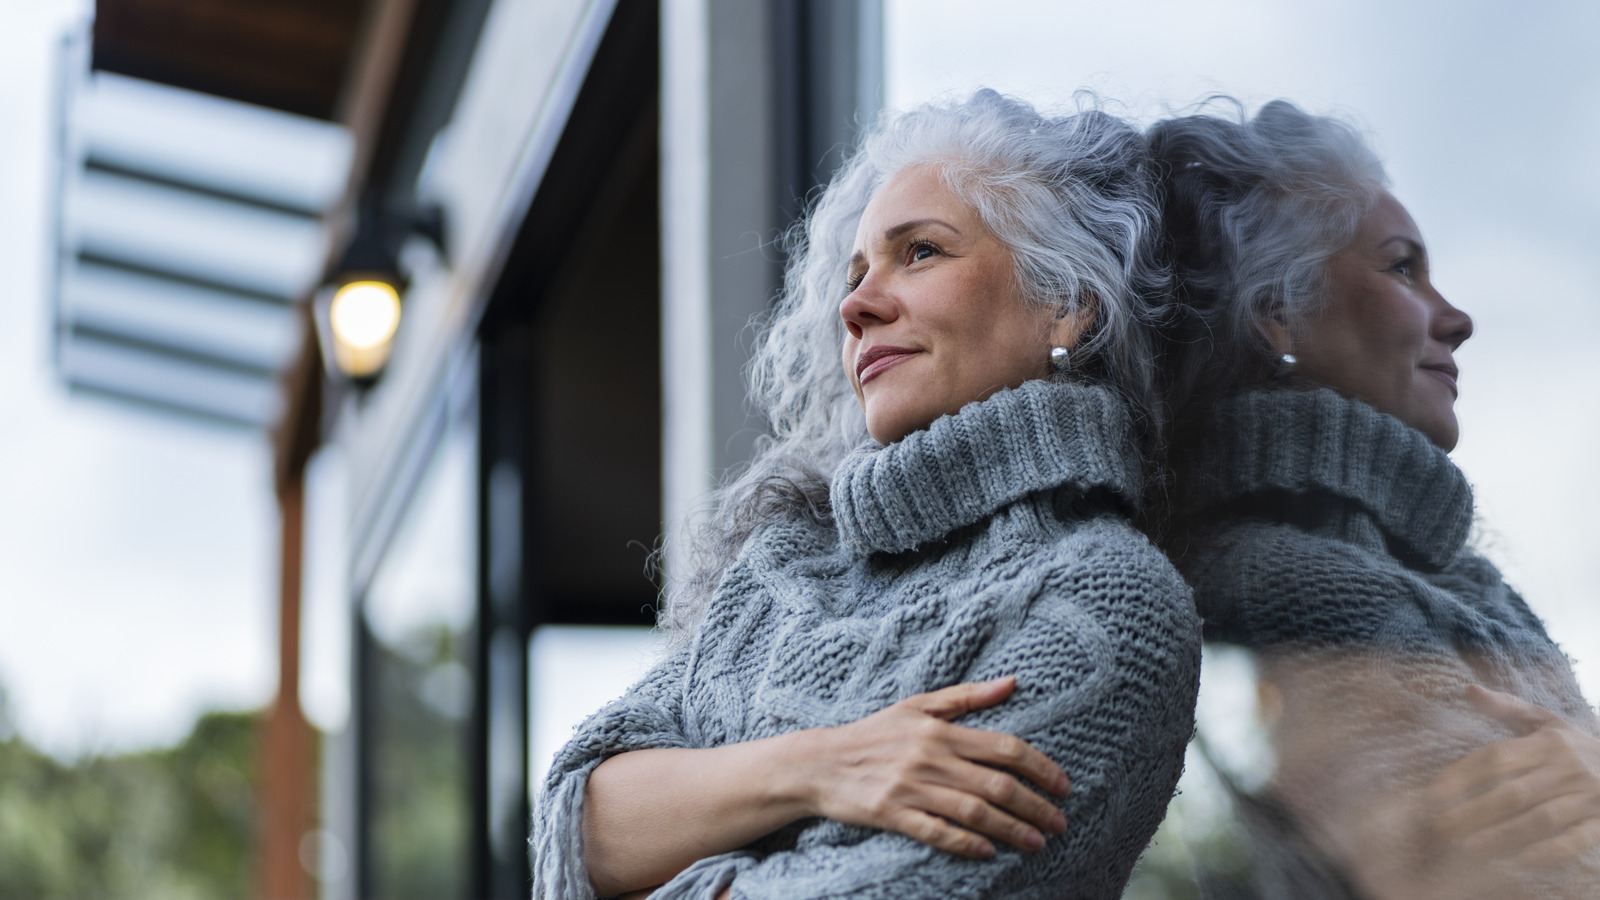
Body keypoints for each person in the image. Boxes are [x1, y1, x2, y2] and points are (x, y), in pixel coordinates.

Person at [530, 90, 1202, 900]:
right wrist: (820, 769)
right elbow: (577, 830)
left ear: (1065, 305)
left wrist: (694, 822)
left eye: (920, 252)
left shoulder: (1104, 596)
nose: (855, 307)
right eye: (855, 275)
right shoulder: (780, 568)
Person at [1149, 100, 1600, 899]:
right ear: (1276, 317)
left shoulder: (1453, 585)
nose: (1456, 319)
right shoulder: (1301, 590)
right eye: (1402, 269)